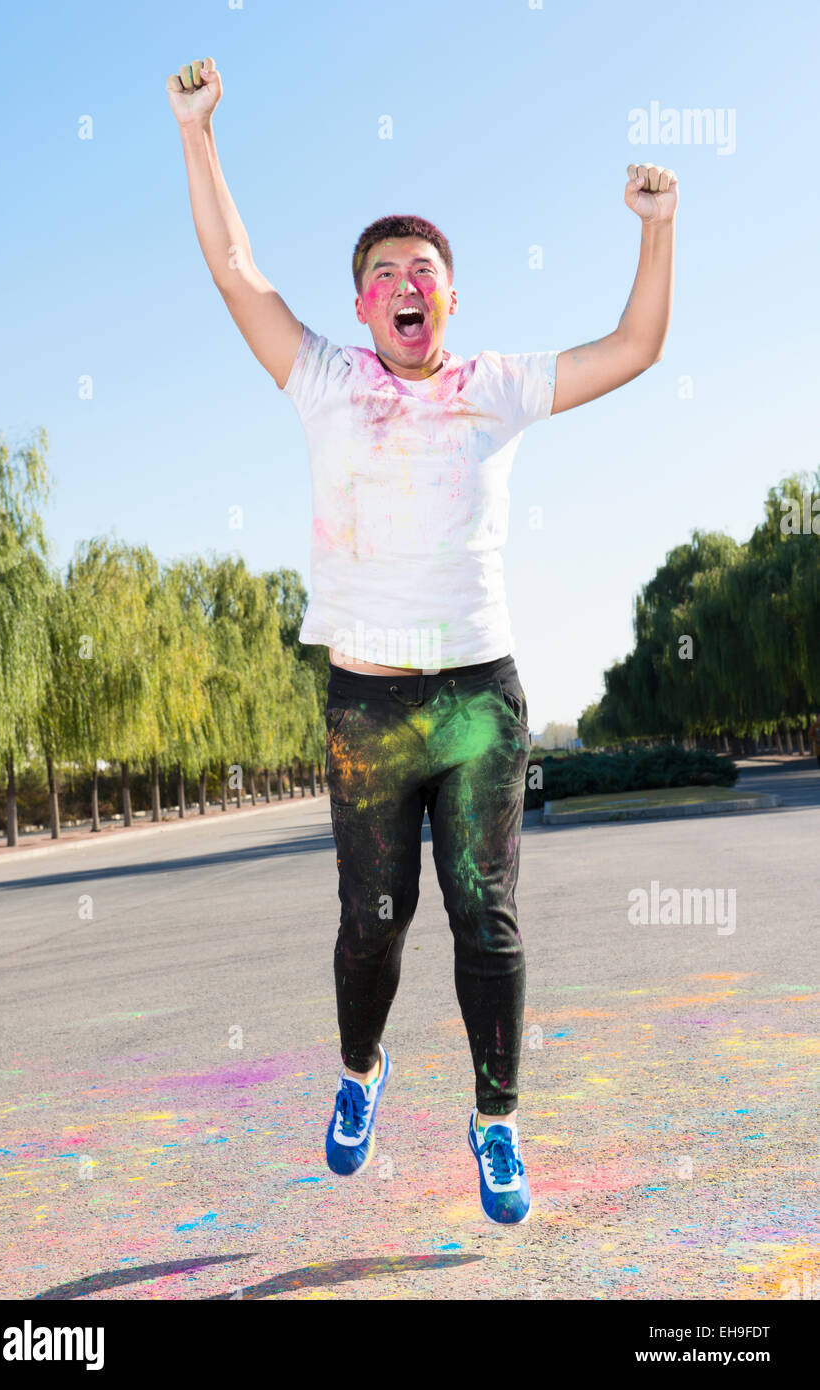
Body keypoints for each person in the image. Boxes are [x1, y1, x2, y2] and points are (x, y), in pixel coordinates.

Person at [166, 56, 677, 1225]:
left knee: (487, 914)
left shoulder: (496, 385)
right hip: (366, 704)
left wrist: (659, 226)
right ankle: (361, 1074)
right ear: (362, 306)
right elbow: (236, 269)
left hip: (481, 700)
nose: (406, 284)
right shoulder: (323, 379)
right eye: (385, 273)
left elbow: (634, 346)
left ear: (453, 298)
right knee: (372, 926)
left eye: (425, 272)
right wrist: (198, 134)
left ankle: (495, 1122)